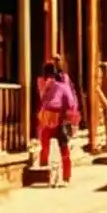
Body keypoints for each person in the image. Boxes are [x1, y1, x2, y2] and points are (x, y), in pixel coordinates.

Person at [36, 57, 80, 187]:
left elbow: (43, 100)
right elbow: (70, 103)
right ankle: (62, 176)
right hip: (55, 117)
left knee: (49, 146)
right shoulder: (60, 85)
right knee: (62, 149)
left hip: (51, 118)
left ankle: (46, 171)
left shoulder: (46, 84)